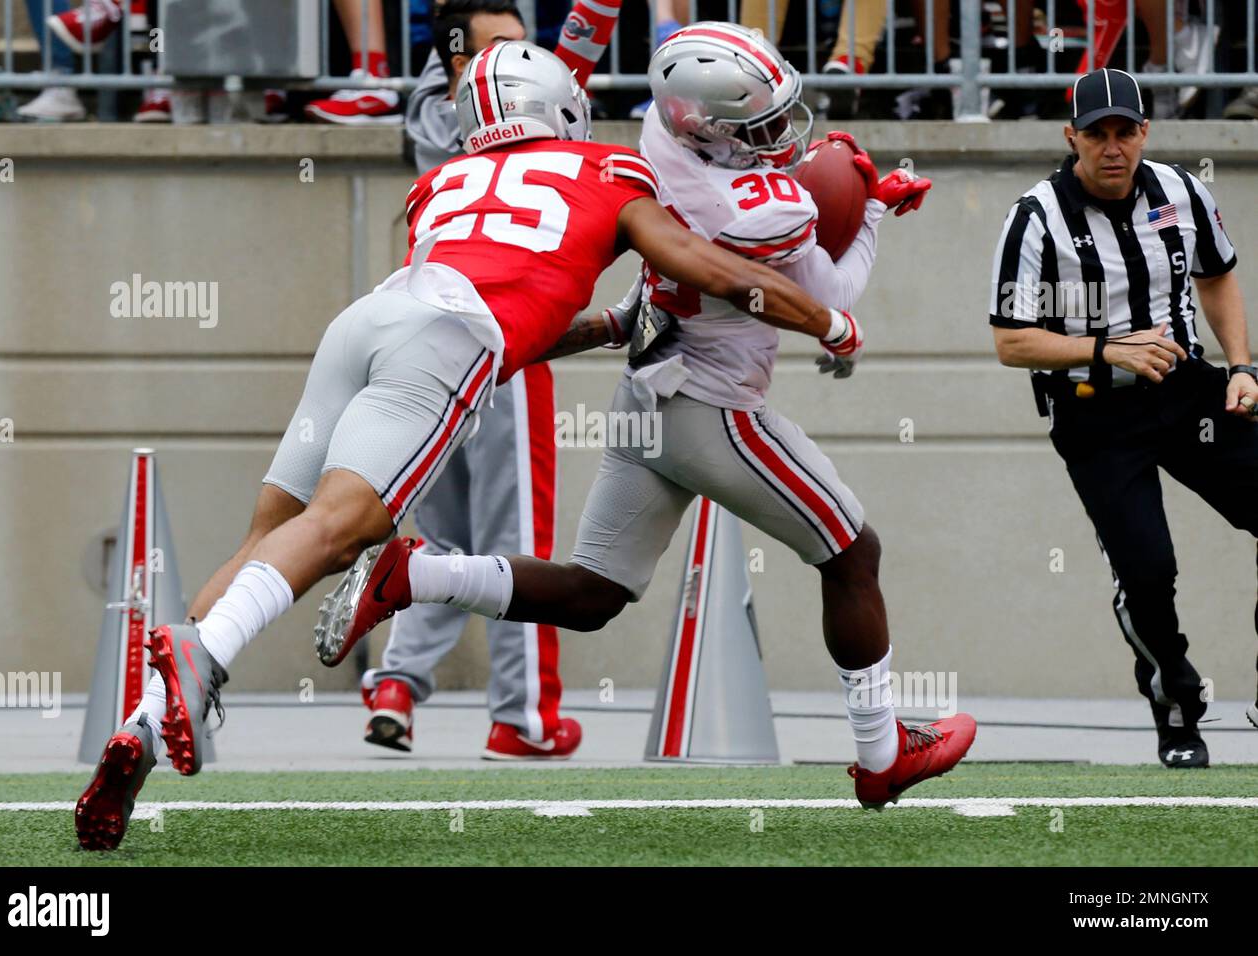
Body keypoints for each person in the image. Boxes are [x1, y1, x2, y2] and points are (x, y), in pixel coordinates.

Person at [75, 38, 855, 850]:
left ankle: (138, 728)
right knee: (345, 529)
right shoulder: (609, 170)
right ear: (559, 107)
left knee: (267, 539)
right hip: (446, 336)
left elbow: (525, 295)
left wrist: (606, 327)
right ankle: (202, 659)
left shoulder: (438, 183)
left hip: (366, 321)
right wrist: (829, 320)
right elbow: (710, 267)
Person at [323, 23, 977, 811]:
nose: (778, 139)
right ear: (703, 124)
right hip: (712, 410)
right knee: (852, 552)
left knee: (593, 593)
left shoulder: (654, 148)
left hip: (645, 396)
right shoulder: (755, 207)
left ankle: (415, 573)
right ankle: (881, 753)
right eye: (758, 126)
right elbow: (829, 295)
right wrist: (866, 213)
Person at [363, 0, 620, 761]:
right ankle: (524, 718)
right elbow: (572, 60)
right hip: (501, 336)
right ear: (455, 56)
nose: (519, 56)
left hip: (416, 341)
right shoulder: (474, 110)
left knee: (449, 541)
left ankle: (397, 686)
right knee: (520, 539)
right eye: (502, 45)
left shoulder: (439, 106)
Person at [988, 68, 1257, 767]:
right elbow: (1012, 341)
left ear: (1146, 132)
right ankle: (1177, 710)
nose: (1113, 148)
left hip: (1186, 390)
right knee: (1147, 571)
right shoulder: (1036, 216)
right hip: (1094, 410)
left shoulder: (1180, 190)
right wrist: (1110, 348)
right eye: (1098, 133)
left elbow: (1217, 272)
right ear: (1070, 135)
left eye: (1126, 131)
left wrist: (1242, 366)